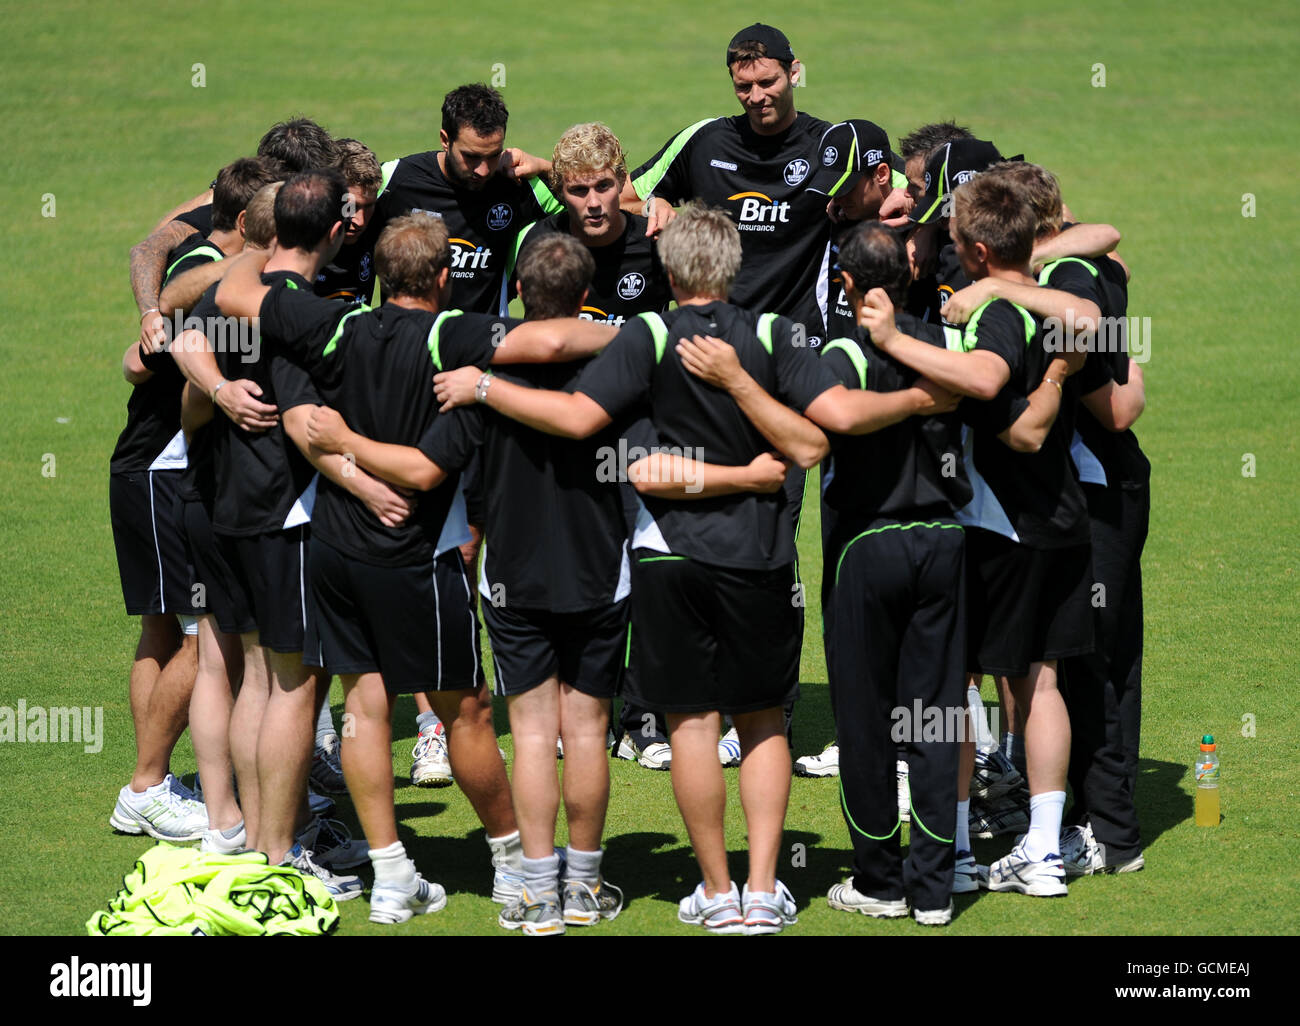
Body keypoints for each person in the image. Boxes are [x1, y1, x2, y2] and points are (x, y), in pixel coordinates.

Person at [222, 209, 620, 914]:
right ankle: (509, 859)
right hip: (415, 555)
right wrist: (632, 332)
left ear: (376, 273)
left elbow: (235, 295)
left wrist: (255, 243)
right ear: (443, 277)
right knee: (465, 712)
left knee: (365, 709)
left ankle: (393, 878)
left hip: (334, 549)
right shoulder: (454, 333)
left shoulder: (332, 323)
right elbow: (552, 336)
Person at [861, 171, 1094, 896]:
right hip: (1061, 518)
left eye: (958, 241)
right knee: (1042, 680)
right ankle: (1045, 851)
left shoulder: (995, 311)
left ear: (980, 248)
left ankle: (955, 848)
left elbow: (988, 381)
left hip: (1002, 527)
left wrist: (897, 339)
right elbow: (1089, 320)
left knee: (957, 683)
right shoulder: (1049, 303)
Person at [944, 162, 1146, 874]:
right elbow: (1110, 240)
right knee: (1044, 674)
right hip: (1062, 507)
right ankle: (1044, 832)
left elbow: (1101, 414)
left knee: (1009, 675)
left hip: (1040, 509)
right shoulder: (1062, 283)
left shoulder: (1027, 297)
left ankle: (985, 845)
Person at [515, 122, 676, 770]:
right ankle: (585, 708)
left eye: (605, 185)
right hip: (566, 432)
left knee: (648, 577)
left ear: (623, 179)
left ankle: (644, 716)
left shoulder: (658, 242)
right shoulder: (543, 247)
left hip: (642, 431)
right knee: (582, 577)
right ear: (563, 190)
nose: (594, 202)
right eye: (578, 190)